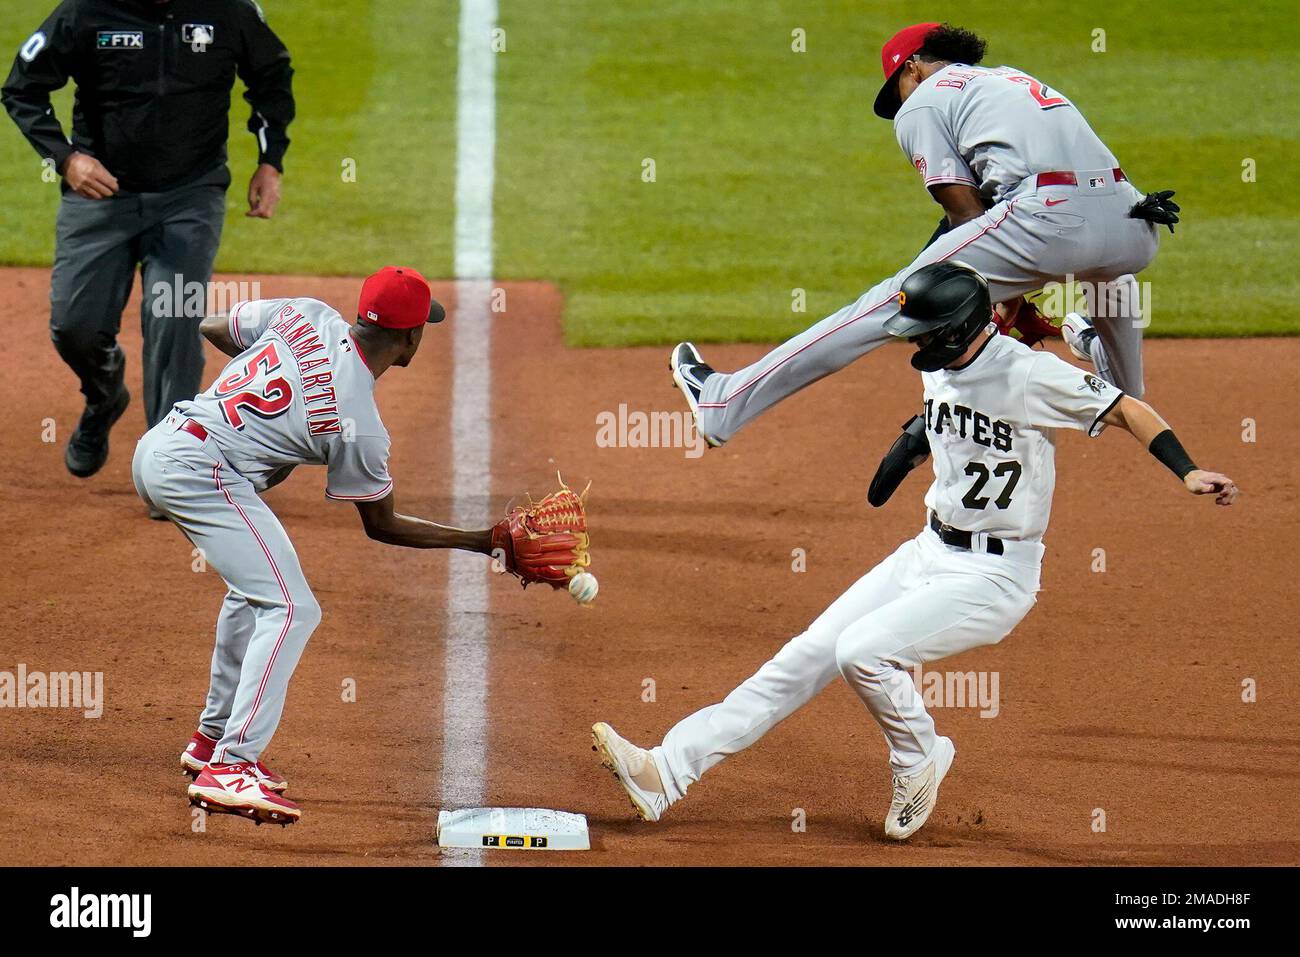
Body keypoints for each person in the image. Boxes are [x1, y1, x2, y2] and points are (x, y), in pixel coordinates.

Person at [595, 262, 1236, 841]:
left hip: (994, 575)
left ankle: (919, 756)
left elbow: (1128, 410)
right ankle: (665, 772)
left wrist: (1186, 470)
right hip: (928, 551)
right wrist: (906, 451)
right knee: (806, 657)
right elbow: (942, 418)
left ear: (958, 329)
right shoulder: (943, 370)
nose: (914, 342)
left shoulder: (1029, 373)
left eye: (924, 332)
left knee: (861, 653)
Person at [134, 267, 588, 825]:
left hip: (164, 443)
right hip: (199, 472)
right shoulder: (361, 425)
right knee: (292, 608)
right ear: (410, 340)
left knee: (253, 594)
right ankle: (233, 765)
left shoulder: (303, 313)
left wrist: (254, 410)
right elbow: (382, 525)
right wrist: (486, 542)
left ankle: (209, 741)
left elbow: (213, 325)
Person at [669, 22, 1180, 449]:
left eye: (897, 89)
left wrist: (992, 297)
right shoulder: (1009, 78)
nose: (900, 105)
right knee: (1110, 276)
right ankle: (1120, 383)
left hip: (1050, 219)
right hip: (1135, 223)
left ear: (912, 66)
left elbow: (964, 211)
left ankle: (723, 402)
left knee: (887, 304)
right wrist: (1010, 292)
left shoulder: (925, 99)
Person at [3, 0, 295, 483]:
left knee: (174, 322)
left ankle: (167, 467)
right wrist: (66, 158)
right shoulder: (85, 12)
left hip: (190, 196)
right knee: (74, 326)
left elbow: (271, 75)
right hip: (100, 196)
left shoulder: (229, 10)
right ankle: (104, 395)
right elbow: (22, 88)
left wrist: (271, 159)